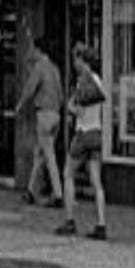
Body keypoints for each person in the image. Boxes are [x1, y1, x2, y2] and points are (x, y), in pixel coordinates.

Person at [55, 43, 110, 241]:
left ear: (80, 60)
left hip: (82, 133)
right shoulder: (98, 80)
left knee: (67, 173)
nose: (73, 63)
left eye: (75, 59)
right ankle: (101, 224)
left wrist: (69, 107)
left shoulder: (83, 82)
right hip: (96, 132)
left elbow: (78, 110)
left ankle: (70, 220)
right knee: (96, 181)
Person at [15, 33, 64, 206]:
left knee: (48, 155)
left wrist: (20, 105)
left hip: (43, 114)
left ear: (38, 50)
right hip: (56, 114)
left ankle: (58, 194)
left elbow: (30, 88)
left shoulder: (40, 67)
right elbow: (61, 94)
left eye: (34, 49)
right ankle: (30, 192)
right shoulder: (55, 69)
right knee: (40, 155)